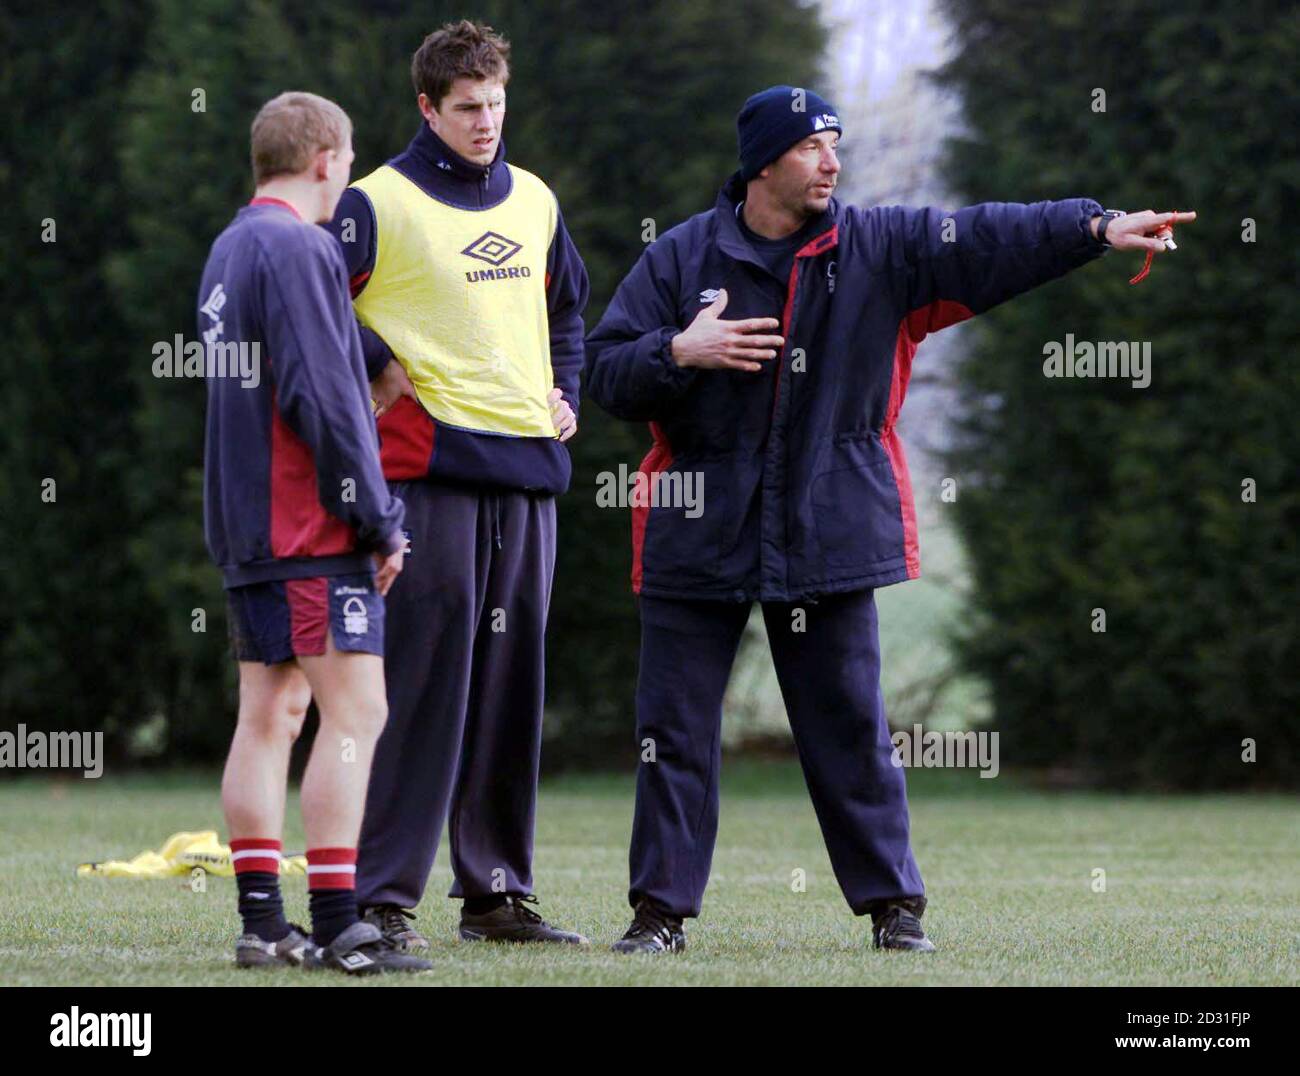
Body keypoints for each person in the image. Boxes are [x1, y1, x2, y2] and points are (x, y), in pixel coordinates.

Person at [584, 84, 1195, 954]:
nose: (833, 161)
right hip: (696, 525)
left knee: (849, 729)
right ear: (764, 162)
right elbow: (603, 372)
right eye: (812, 146)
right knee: (671, 733)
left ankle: (893, 910)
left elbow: (992, 234)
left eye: (837, 143)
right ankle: (659, 916)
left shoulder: (883, 248)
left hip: (828, 522)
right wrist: (678, 351)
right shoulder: (680, 258)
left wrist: (1094, 229)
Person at [322, 20, 590, 947]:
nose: (486, 123)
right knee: (420, 687)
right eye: (467, 108)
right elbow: (308, 309)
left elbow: (569, 314)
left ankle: (496, 893)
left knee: (511, 691)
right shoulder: (372, 203)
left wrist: (569, 392)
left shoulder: (538, 202)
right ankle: (377, 898)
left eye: (497, 104)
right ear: (428, 107)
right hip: (426, 478)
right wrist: (373, 357)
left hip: (529, 476)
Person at [200, 91, 429, 975]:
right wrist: (378, 517)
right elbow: (324, 397)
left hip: (248, 525)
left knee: (272, 712)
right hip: (309, 525)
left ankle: (264, 923)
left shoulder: (230, 247)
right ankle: (340, 924)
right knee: (356, 710)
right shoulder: (301, 248)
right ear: (327, 159)